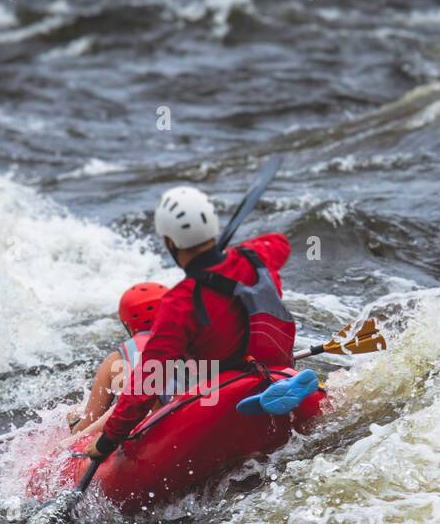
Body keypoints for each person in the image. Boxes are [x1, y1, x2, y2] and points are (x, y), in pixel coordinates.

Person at [85, 185, 297, 461]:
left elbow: (148, 380)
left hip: (218, 394)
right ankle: (284, 393)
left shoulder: (180, 303)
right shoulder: (257, 256)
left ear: (170, 243)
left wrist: (106, 443)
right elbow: (280, 241)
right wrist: (227, 257)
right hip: (273, 370)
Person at [66, 282, 168, 435]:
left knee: (74, 417)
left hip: (149, 432)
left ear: (127, 324)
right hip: (187, 414)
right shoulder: (188, 340)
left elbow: (89, 425)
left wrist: (73, 425)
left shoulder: (116, 360)